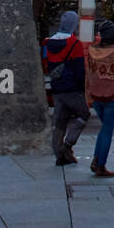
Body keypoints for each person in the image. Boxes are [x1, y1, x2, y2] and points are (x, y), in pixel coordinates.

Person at [84, 18, 114, 177]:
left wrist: (88, 92)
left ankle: (96, 159)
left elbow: (89, 72)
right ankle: (100, 165)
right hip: (111, 95)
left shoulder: (92, 50)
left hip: (96, 94)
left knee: (104, 129)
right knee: (107, 130)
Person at [45, 10, 88, 166]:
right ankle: (67, 145)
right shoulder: (75, 44)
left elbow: (47, 64)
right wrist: (83, 88)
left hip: (57, 88)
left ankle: (59, 155)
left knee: (60, 121)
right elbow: (79, 70)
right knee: (84, 114)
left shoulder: (49, 43)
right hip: (72, 89)